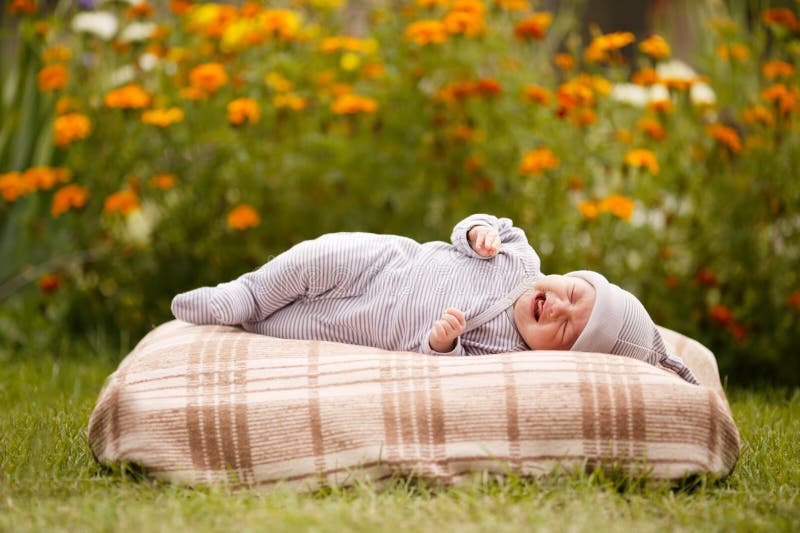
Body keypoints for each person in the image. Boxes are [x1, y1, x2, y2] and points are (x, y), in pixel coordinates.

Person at [171, 214, 699, 384]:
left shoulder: (510, 359)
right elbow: (473, 225)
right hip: (384, 263)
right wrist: (478, 234)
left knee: (297, 325)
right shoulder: (520, 259)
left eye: (565, 328)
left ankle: (253, 323)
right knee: (320, 255)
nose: (558, 306)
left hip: (368, 326)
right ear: (570, 276)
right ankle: (241, 295)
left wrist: (444, 345)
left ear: (558, 357)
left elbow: (450, 369)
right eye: (571, 293)